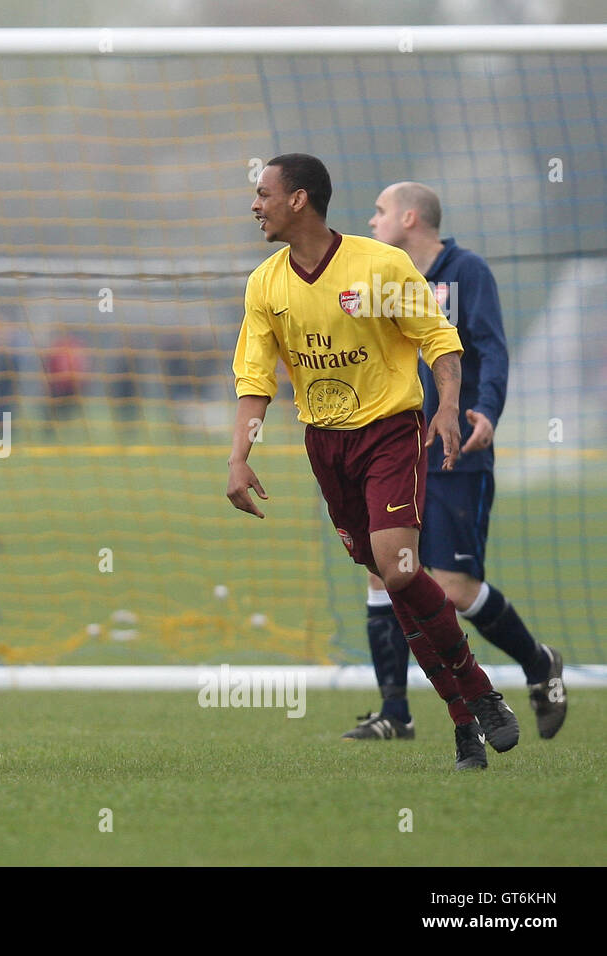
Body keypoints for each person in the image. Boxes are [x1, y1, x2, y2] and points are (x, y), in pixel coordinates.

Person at [226, 153, 520, 771]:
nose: (255, 205)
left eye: (263, 193)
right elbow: (256, 377)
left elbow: (440, 339)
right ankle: (467, 714)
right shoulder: (265, 284)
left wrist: (447, 407)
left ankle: (483, 695)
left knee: (399, 566)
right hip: (325, 446)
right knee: (396, 583)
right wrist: (239, 454)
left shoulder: (380, 265)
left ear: (299, 199)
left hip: (389, 433)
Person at [341, 182, 565, 742]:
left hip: (456, 452)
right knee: (382, 570)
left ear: (410, 217)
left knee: (455, 588)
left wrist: (485, 411)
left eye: (380, 211)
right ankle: (396, 712)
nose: (371, 221)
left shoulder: (466, 273)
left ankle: (539, 664)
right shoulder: (385, 280)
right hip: (397, 448)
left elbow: (491, 348)